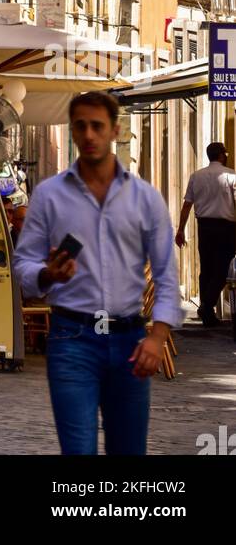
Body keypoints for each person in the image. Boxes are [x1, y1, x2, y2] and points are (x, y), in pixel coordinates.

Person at [13, 91, 182, 456]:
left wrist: (157, 337)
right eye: (81, 126)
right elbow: (22, 264)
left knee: (129, 451)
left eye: (97, 126)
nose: (89, 135)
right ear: (72, 131)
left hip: (129, 341)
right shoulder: (49, 195)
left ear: (115, 131)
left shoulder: (145, 198)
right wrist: (47, 276)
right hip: (72, 338)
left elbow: (168, 276)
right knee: (78, 450)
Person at [175, 141, 236, 326]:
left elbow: (187, 204)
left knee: (207, 269)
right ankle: (206, 307)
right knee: (221, 269)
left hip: (204, 227)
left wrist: (180, 229)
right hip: (226, 228)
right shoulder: (231, 175)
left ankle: (207, 313)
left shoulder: (196, 176)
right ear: (222, 155)